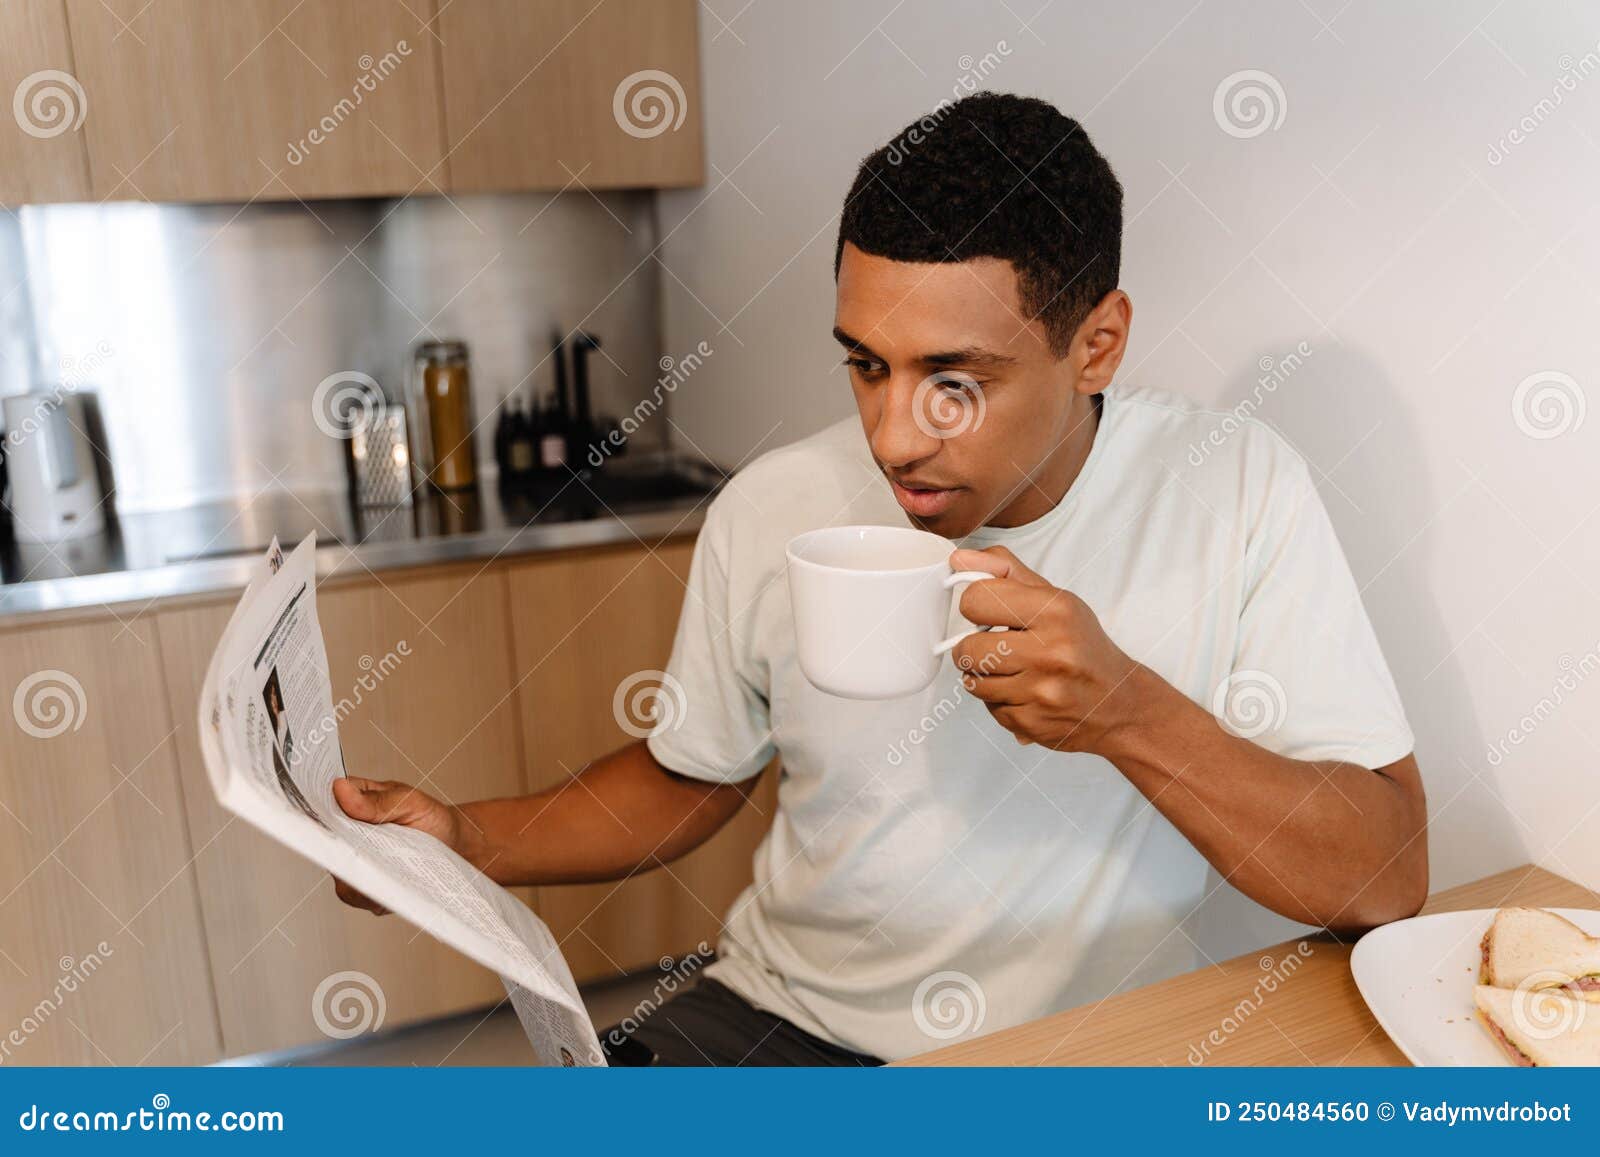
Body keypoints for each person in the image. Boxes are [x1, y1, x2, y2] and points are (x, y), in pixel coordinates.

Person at [330, 92, 1427, 1066]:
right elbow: (692, 775)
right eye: (867, 363)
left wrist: (1129, 713)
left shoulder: (1233, 488)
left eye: (955, 380)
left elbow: (1385, 878)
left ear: (1096, 346)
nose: (894, 438)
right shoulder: (771, 505)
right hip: (771, 1027)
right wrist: (470, 842)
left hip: (1085, 1054)